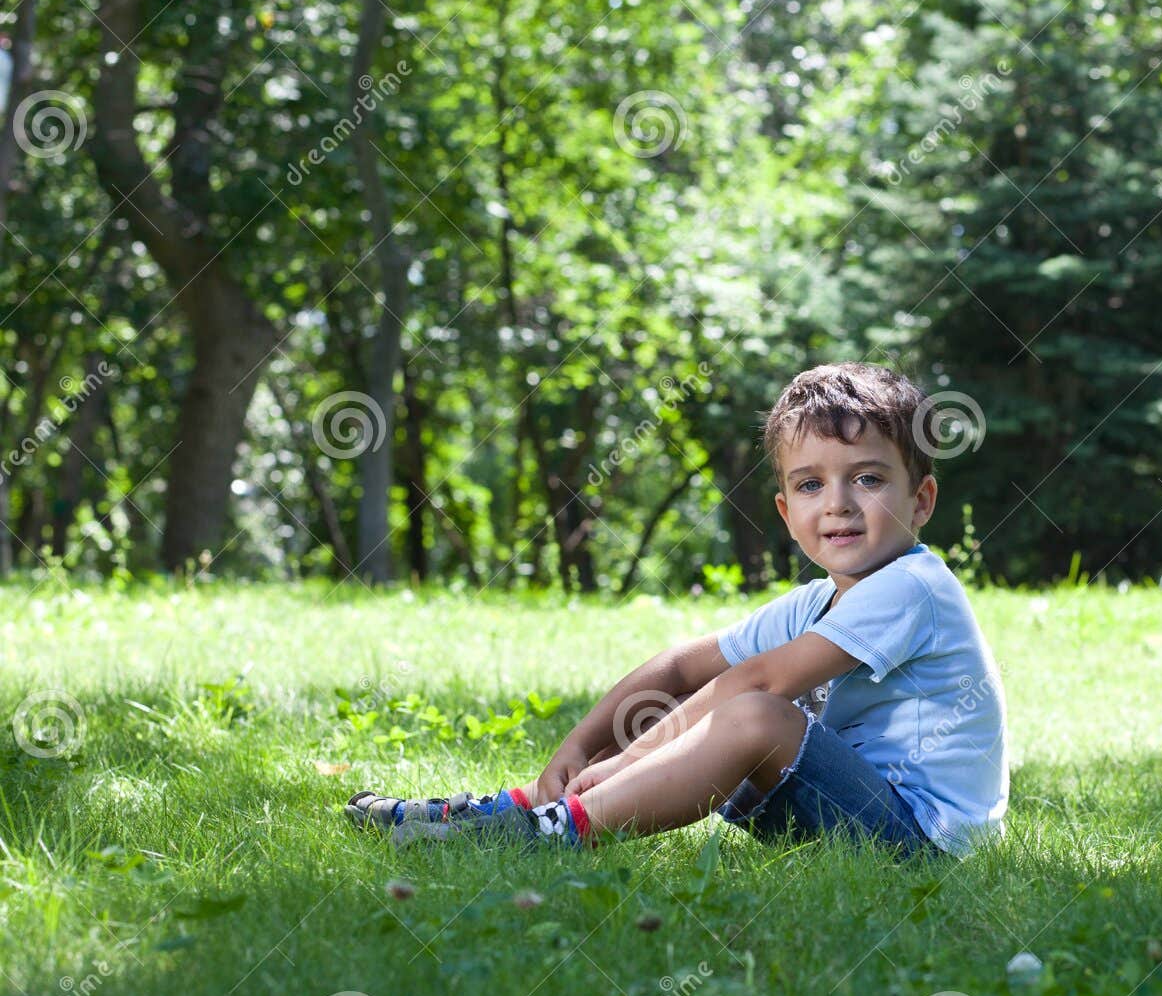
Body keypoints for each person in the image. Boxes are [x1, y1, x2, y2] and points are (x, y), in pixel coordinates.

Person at [346, 362, 1008, 858]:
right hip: (844, 810)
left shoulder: (911, 584)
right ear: (786, 510)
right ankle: (516, 809)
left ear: (920, 501)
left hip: (923, 843)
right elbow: (681, 664)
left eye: (867, 478)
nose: (837, 502)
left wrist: (630, 762)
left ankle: (555, 833)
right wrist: (578, 748)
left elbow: (758, 686)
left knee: (755, 714)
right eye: (810, 484)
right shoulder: (819, 599)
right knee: (672, 698)